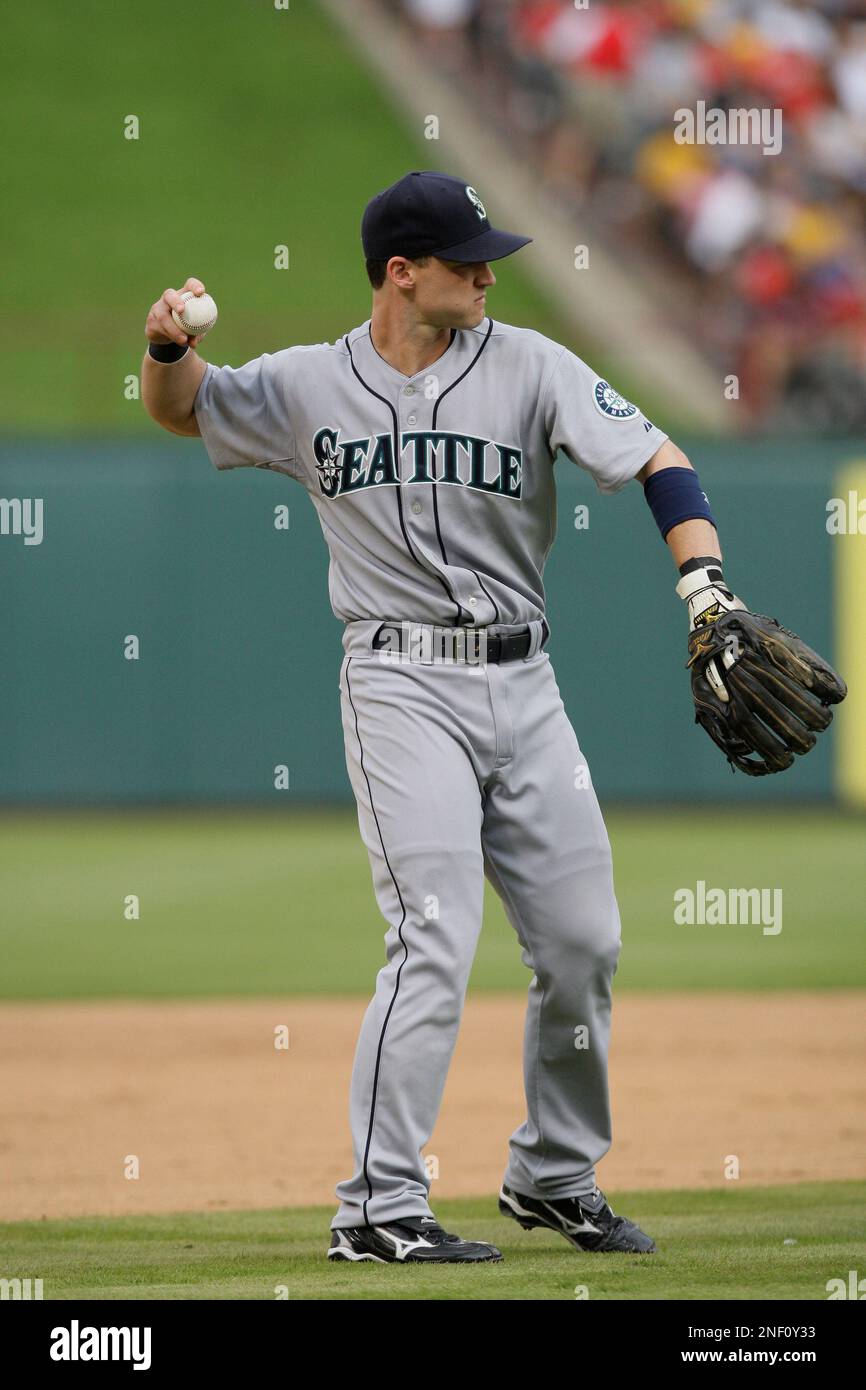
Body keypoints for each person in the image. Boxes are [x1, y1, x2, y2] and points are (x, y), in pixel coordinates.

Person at [141, 169, 732, 1265]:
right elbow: (182, 411)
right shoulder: (307, 383)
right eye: (467, 258)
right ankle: (375, 1207)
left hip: (526, 683)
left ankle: (553, 1173)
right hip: (398, 682)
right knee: (433, 932)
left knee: (581, 940)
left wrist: (704, 588)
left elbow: (658, 457)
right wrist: (167, 347)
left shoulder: (530, 366)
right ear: (401, 274)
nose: (488, 270)